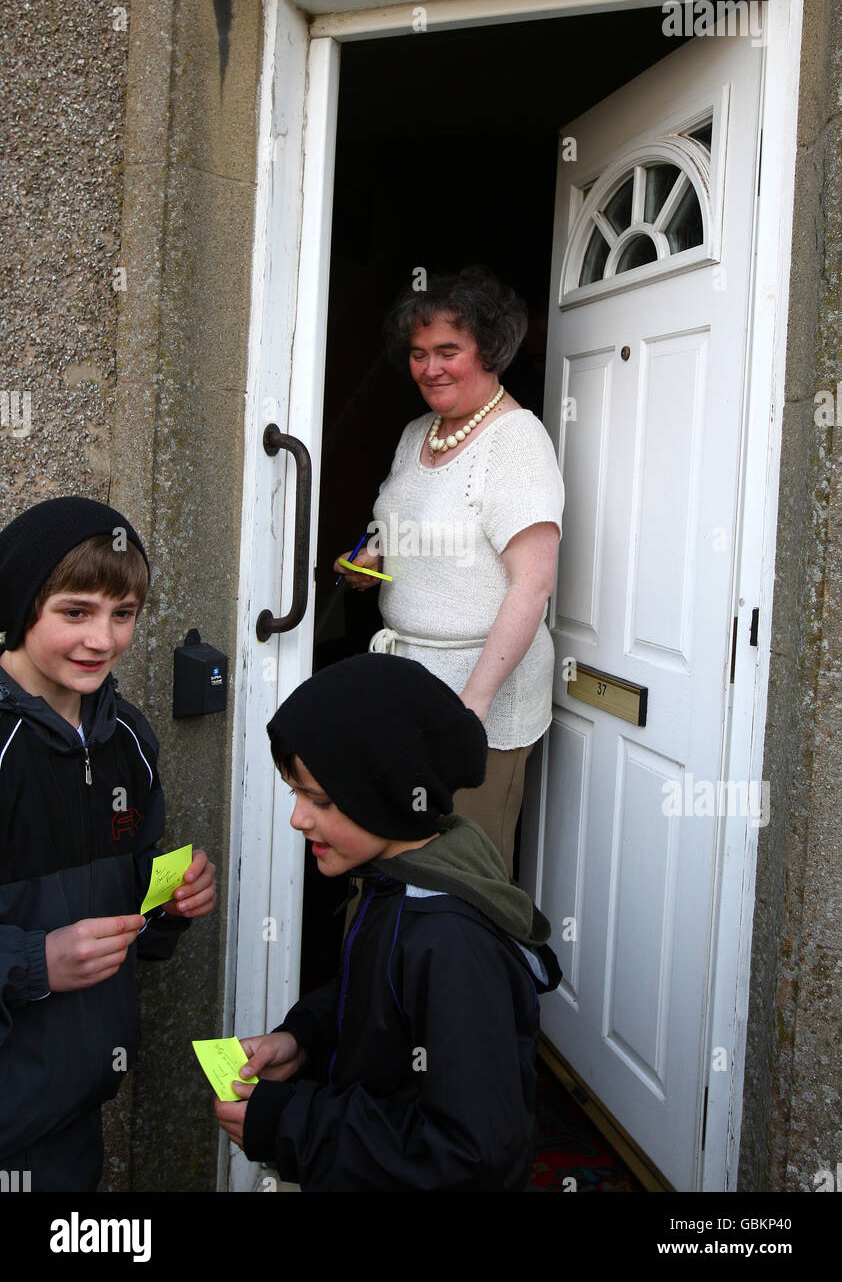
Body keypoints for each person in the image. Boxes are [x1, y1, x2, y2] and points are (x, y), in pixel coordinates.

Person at [214, 652, 560, 1192]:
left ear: (390, 797)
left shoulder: (451, 943)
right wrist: (303, 1039)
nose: (297, 818)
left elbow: (469, 1157)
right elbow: (378, 1005)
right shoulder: (395, 881)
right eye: (295, 793)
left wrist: (294, 1125)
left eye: (322, 800)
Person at [0, 496, 216, 1191]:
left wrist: (167, 903)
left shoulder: (128, 739)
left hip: (72, 1105)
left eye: (122, 615)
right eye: (75, 611)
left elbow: (130, 917)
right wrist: (35, 962)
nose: (103, 638)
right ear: (19, 606)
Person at [334, 266, 564, 873]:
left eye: (447, 351)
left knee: (463, 874)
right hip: (406, 683)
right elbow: (391, 521)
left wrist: (473, 706)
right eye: (417, 354)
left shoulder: (516, 441)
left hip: (477, 697)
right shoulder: (418, 433)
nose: (429, 368)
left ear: (488, 350)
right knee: (392, 856)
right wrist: (372, 558)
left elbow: (532, 583)